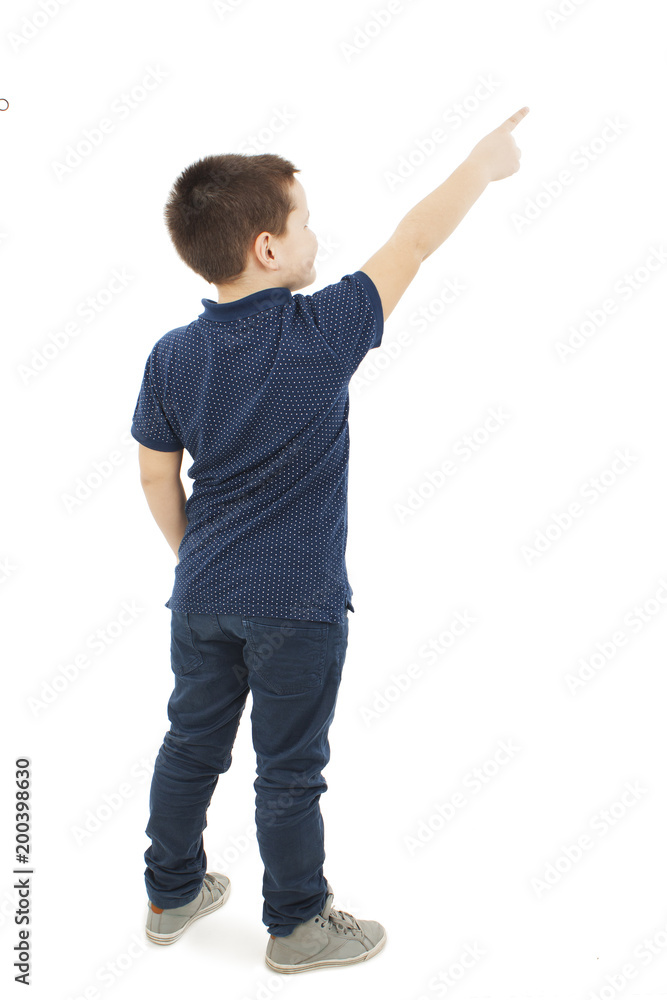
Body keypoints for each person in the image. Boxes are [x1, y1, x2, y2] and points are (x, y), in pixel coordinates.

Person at [130, 105, 530, 974]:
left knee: (188, 743)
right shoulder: (322, 330)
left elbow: (156, 475)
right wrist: (479, 165)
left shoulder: (170, 355)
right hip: (299, 606)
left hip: (200, 596)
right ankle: (297, 925)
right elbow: (414, 241)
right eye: (304, 220)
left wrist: (193, 561)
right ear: (268, 248)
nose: (318, 236)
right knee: (288, 771)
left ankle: (170, 894)